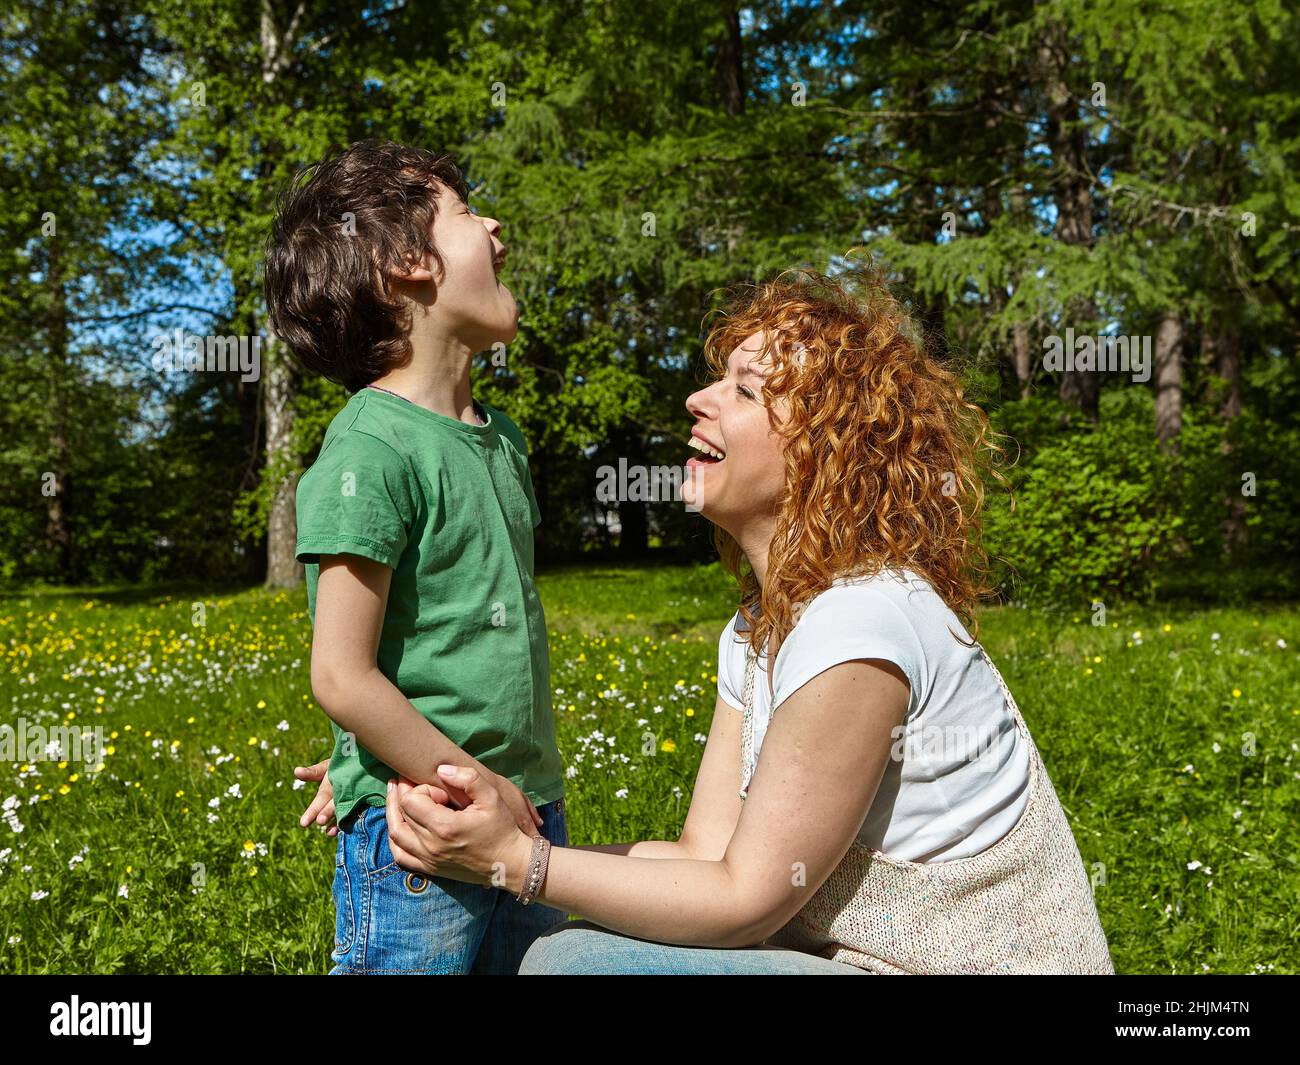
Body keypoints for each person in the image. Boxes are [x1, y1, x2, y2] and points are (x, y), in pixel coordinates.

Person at [375, 265, 1116, 975]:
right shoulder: (759, 628)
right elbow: (704, 855)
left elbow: (744, 901)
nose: (700, 398)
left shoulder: (864, 620)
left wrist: (513, 863)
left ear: (826, 450)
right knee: (579, 931)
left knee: (573, 961)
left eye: (745, 390)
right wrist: (501, 841)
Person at [267, 139, 567, 975]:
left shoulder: (500, 439)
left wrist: (504, 796)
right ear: (406, 262)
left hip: (529, 807)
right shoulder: (373, 446)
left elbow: (436, 632)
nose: (496, 224)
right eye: (468, 213)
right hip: (424, 830)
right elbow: (342, 673)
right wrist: (462, 780)